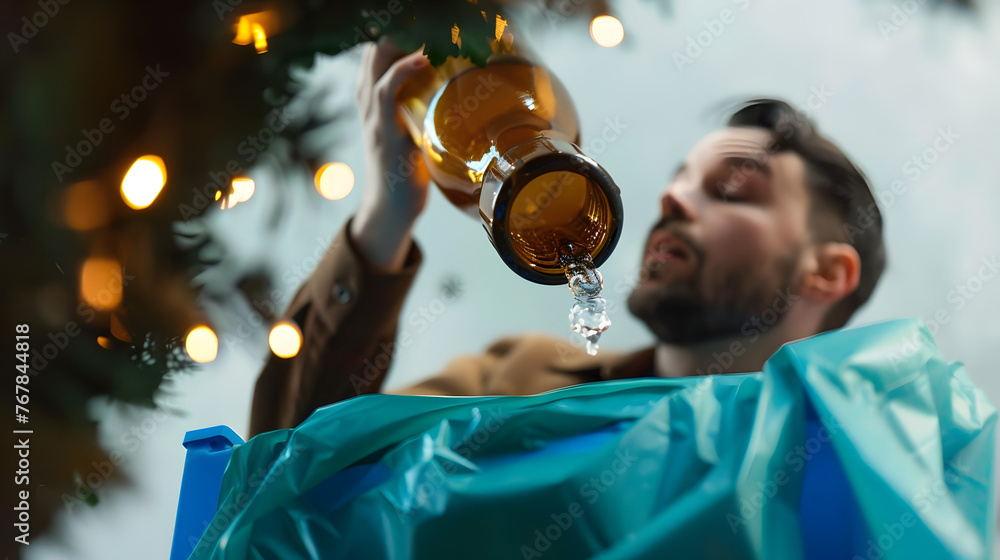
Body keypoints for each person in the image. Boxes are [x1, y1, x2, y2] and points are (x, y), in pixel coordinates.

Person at [248, 41, 885, 438]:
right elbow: (282, 475)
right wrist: (384, 220)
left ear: (825, 274)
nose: (671, 198)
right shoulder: (514, 378)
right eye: (677, 181)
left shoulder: (849, 466)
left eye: (731, 189)